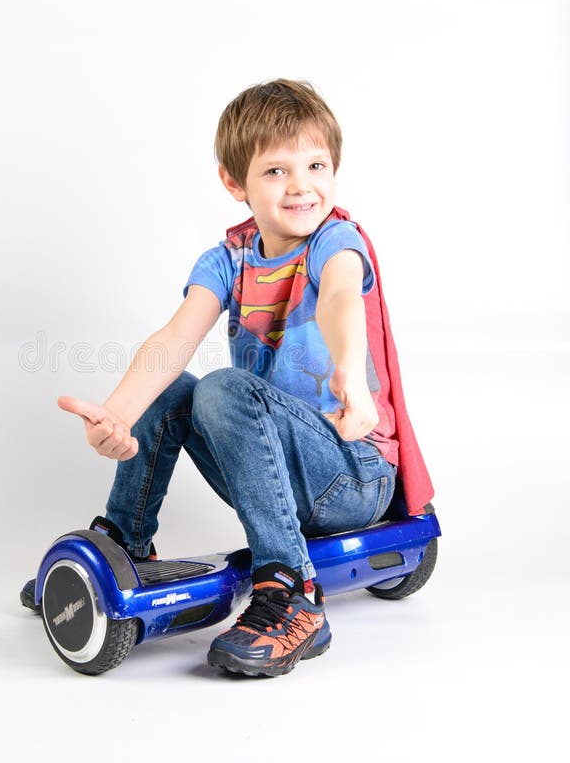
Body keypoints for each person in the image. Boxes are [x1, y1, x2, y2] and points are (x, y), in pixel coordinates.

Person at [31, 78, 433, 677]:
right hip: (270, 470)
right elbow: (173, 340)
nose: (301, 186)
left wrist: (350, 373)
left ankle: (293, 594)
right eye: (275, 171)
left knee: (222, 388)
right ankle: (124, 545)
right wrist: (118, 415)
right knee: (176, 389)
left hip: (352, 471)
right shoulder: (230, 259)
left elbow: (340, 298)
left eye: (316, 165)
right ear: (233, 182)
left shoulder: (336, 242)